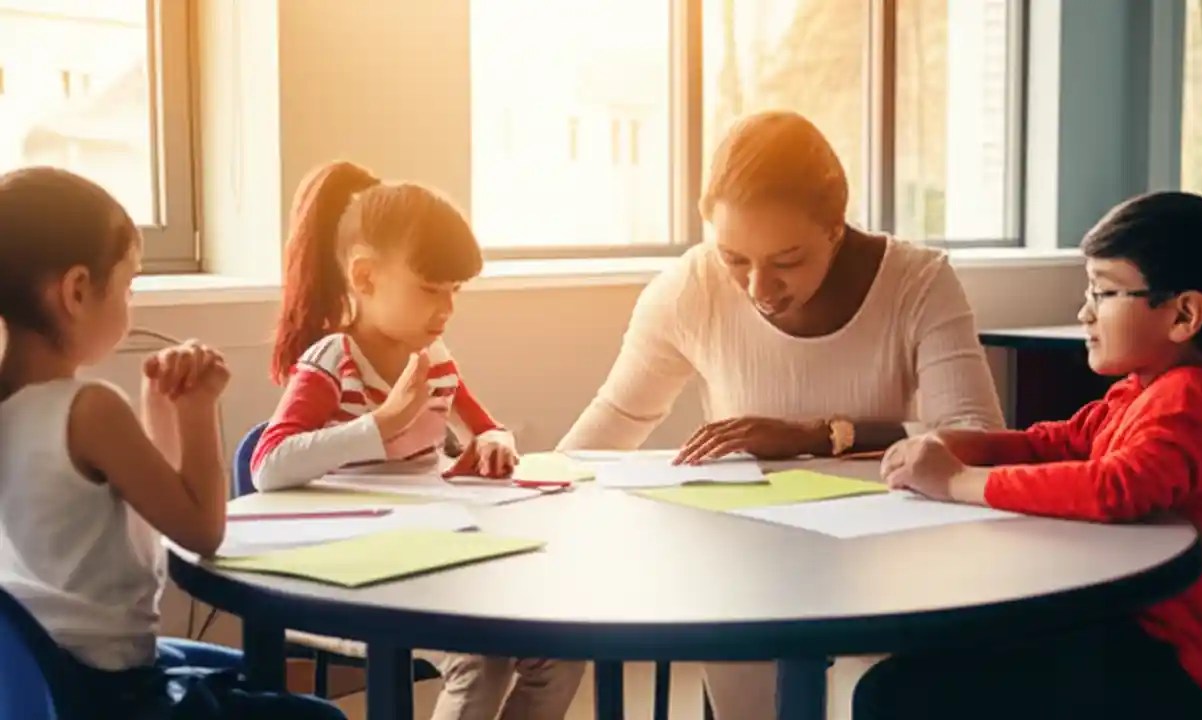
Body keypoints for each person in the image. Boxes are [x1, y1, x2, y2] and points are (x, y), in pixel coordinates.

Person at [558, 111, 1005, 718]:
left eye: (787, 261)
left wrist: (818, 436)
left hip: (889, 561)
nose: (758, 287)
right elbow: (614, 420)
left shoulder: (917, 283)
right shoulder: (690, 288)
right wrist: (530, 484)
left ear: (835, 228)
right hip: (742, 572)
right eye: (735, 259)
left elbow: (981, 439)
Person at [870, 191, 1202, 719]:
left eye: (1104, 292)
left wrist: (956, 481)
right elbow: (1057, 443)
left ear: (1184, 315)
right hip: (1121, 633)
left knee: (903, 692)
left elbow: (1116, 488)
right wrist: (978, 444)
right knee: (915, 676)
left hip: (1177, 672)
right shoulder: (1142, 390)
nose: (1084, 312)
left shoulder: (1192, 403)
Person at [0, 166, 346, 719]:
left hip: (44, 682)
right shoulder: (87, 410)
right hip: (107, 693)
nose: (131, 300)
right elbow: (200, 529)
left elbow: (146, 500)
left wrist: (159, 404)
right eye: (130, 282)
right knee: (320, 717)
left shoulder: (16, 406)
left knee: (240, 670)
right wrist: (198, 409)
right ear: (78, 290)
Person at [253, 161, 584, 720]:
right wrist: (381, 427)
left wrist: (494, 444)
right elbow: (268, 465)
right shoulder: (332, 363)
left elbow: (487, 427)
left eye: (455, 291)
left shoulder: (434, 360)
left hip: (433, 552)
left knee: (562, 649)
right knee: (479, 661)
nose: (447, 309)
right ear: (364, 277)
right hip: (354, 570)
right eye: (431, 290)